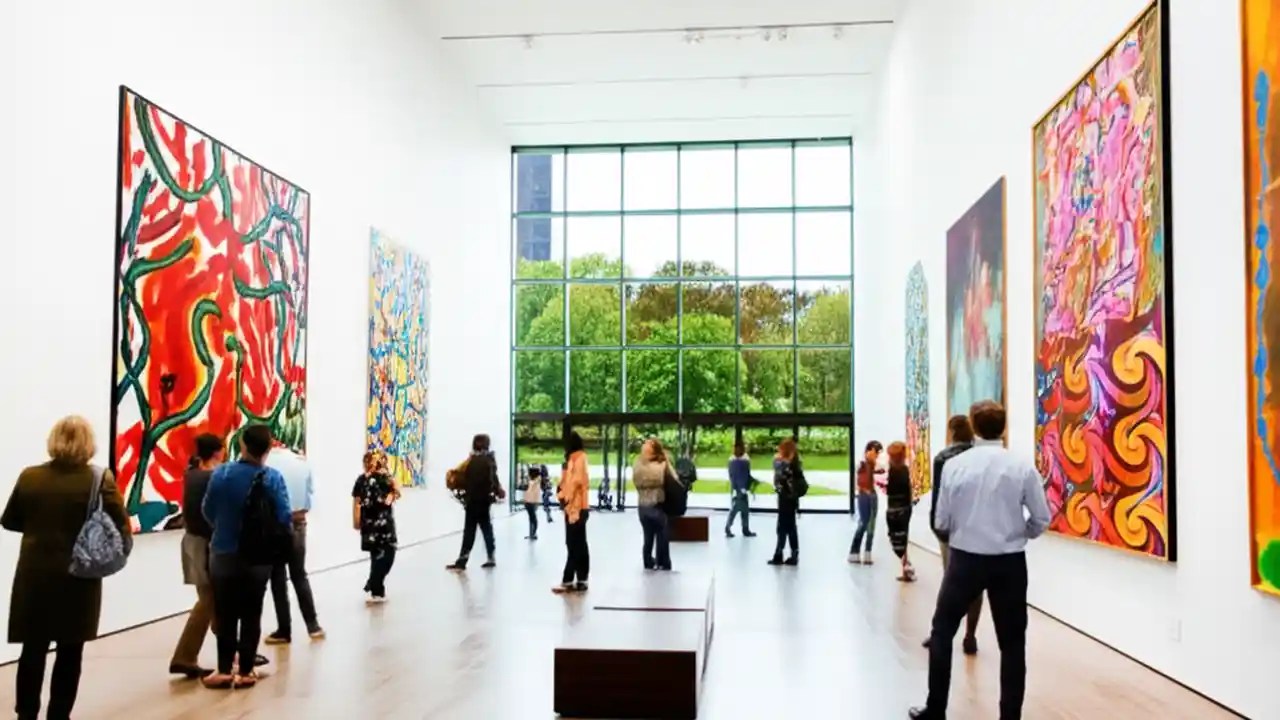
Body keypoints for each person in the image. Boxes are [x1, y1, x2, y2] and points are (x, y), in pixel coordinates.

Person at [910, 402, 1052, 720]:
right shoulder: (1021, 466)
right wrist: (1017, 533)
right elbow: (1042, 518)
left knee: (943, 630)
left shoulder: (955, 466)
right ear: (1003, 427)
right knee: (1012, 642)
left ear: (973, 425)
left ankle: (936, 709)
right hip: (1010, 562)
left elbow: (942, 520)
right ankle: (1009, 716)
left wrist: (963, 535)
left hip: (965, 561)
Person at [2, 416, 132, 720]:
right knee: (70, 652)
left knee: (32, 650)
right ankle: (58, 714)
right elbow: (121, 524)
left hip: (34, 575)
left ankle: (26, 714)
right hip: (79, 576)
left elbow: (10, 521)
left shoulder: (30, 476)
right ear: (89, 443)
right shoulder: (100, 479)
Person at [202, 424, 292, 690]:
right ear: (268, 449)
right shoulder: (273, 478)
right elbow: (284, 516)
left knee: (225, 611)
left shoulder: (221, 474)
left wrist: (224, 527)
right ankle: (246, 670)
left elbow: (207, 510)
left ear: (242, 445)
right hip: (259, 556)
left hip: (223, 551)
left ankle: (223, 669)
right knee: (252, 612)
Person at [921, 414, 980, 653]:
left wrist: (937, 528)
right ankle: (970, 635)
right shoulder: (981, 458)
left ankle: (941, 633)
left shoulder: (943, 458)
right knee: (976, 586)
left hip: (952, 529)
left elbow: (939, 499)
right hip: (978, 528)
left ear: (951, 432)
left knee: (951, 583)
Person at [169, 433, 224, 678]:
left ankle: (229, 652)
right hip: (204, 546)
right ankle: (184, 656)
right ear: (218, 452)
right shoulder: (211, 478)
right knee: (209, 600)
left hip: (192, 542)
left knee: (211, 600)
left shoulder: (191, 475)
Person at [264, 445, 324, 645]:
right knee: (299, 575)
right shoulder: (301, 462)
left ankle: (284, 629)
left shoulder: (265, 464)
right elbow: (310, 493)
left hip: (274, 525)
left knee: (278, 578)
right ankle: (313, 625)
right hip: (298, 522)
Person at [446, 434, 502, 571]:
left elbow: (470, 478)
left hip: (473, 500)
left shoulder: (473, 460)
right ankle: (490, 557)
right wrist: (497, 490)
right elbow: (493, 479)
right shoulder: (488, 460)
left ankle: (462, 561)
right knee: (486, 529)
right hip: (482, 501)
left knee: (471, 531)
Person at [352, 451, 399, 602]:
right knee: (380, 556)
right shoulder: (362, 480)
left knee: (384, 555)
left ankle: (374, 584)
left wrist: (392, 495)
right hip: (375, 523)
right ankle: (376, 589)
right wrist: (356, 521)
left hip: (382, 523)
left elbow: (396, 492)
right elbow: (357, 502)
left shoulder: (386, 478)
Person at [553, 431, 590, 594]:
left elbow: (575, 483)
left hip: (576, 508)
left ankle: (568, 579)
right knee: (578, 543)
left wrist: (562, 496)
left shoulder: (577, 459)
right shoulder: (574, 459)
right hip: (576, 507)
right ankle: (581, 579)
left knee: (574, 543)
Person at [632, 438, 674, 571]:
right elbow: (673, 479)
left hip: (642, 505)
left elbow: (636, 480)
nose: (644, 445)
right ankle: (663, 561)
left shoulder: (637, 465)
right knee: (662, 533)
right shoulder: (662, 464)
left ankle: (648, 560)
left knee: (648, 535)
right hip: (656, 503)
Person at [767, 437, 802, 566]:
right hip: (792, 498)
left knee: (783, 526)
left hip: (784, 497)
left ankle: (779, 553)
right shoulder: (795, 462)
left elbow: (779, 475)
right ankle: (793, 553)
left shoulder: (781, 462)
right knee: (790, 526)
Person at [883, 441, 915, 582]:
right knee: (902, 538)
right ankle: (906, 566)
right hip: (903, 508)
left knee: (898, 538)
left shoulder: (897, 470)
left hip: (896, 509)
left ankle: (906, 566)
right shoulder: (902, 470)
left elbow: (891, 490)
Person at [848, 441, 885, 564]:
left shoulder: (874, 465)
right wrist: (866, 490)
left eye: (878, 452)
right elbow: (860, 482)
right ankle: (854, 552)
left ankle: (868, 552)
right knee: (863, 523)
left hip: (872, 495)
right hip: (865, 496)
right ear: (868, 451)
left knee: (871, 526)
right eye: (875, 452)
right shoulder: (863, 464)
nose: (876, 455)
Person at [725, 442, 756, 538]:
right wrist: (742, 487)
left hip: (741, 489)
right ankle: (730, 527)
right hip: (739, 489)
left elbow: (745, 475)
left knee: (743, 510)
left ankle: (743, 529)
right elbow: (737, 476)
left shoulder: (738, 461)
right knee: (736, 509)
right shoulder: (738, 462)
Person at [523, 465, 542, 540]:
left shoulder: (534, 481)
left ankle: (533, 533)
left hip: (530, 502)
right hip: (531, 502)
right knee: (532, 518)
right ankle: (532, 533)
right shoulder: (536, 481)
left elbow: (529, 488)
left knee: (533, 518)